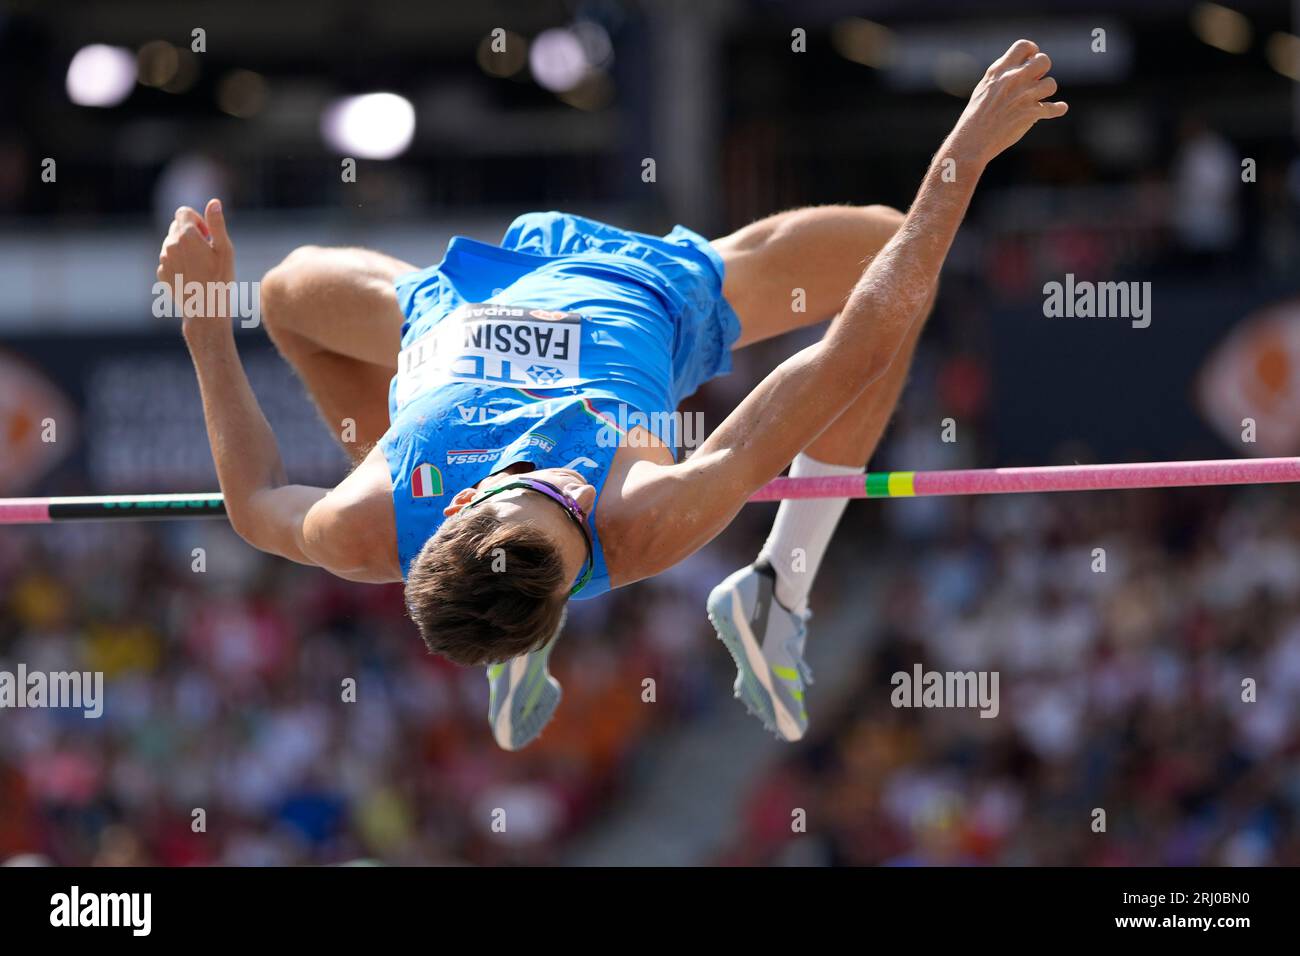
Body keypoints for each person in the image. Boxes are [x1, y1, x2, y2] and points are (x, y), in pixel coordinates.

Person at [157, 40, 1065, 749]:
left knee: (280, 294)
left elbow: (254, 503)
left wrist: (204, 323)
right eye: (575, 520)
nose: (580, 490)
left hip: (455, 300)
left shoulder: (366, 527)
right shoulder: (648, 517)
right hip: (650, 293)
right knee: (890, 244)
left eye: (559, 497)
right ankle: (778, 591)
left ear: (453, 511)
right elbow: (855, 351)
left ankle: (517, 639)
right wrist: (963, 156)